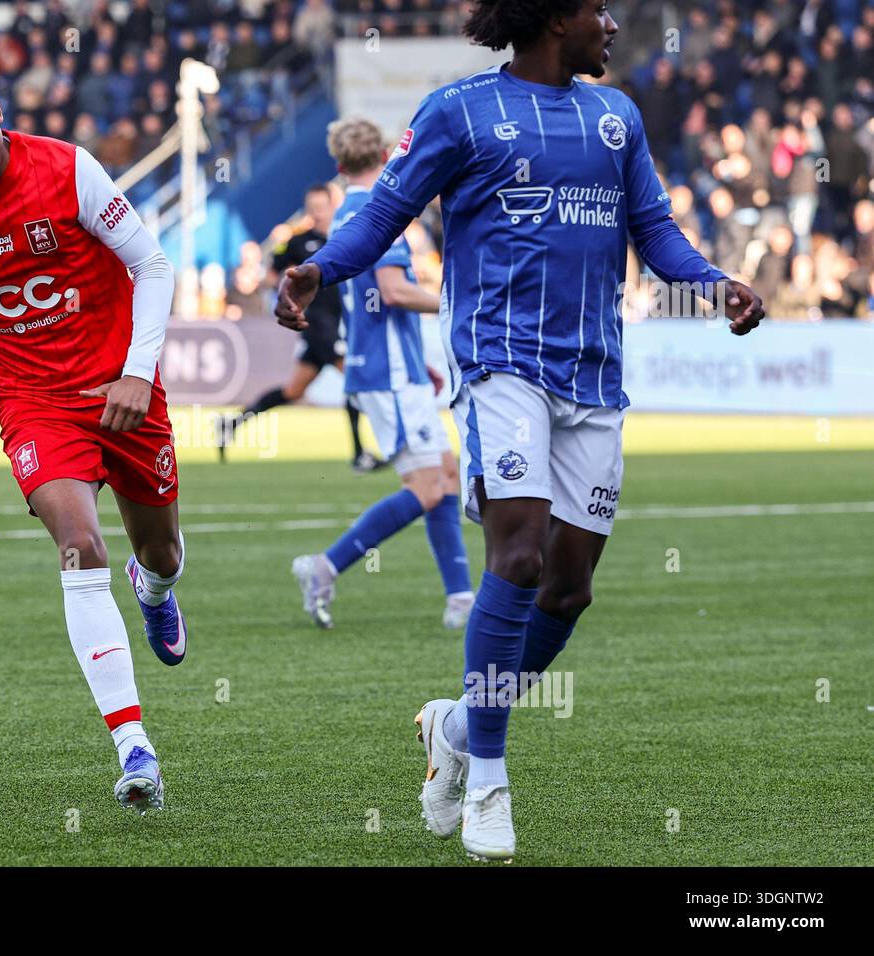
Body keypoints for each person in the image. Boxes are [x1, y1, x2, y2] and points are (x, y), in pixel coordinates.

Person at [276, 0, 764, 862]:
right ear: (551, 19)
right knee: (520, 554)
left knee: (569, 587)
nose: (612, 23)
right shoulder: (459, 110)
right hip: (500, 361)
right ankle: (490, 782)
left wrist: (715, 281)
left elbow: (653, 232)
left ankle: (459, 726)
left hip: (594, 372)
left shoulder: (616, 117)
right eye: (596, 10)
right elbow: (384, 211)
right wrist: (319, 267)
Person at [0, 57, 183, 814]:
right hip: (34, 404)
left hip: (124, 384)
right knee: (79, 546)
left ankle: (154, 591)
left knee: (161, 550)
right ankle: (134, 747)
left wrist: (135, 370)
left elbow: (152, 264)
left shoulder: (67, 168)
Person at [291, 118, 474, 632]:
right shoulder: (378, 207)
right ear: (393, 154)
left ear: (338, 164)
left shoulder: (349, 210)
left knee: (444, 474)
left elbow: (377, 303)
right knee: (427, 485)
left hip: (397, 367)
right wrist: (459, 305)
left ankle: (461, 597)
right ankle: (326, 565)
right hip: (389, 374)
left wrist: (422, 364)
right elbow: (393, 292)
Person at [215, 184, 382, 471]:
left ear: (333, 206)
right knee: (357, 380)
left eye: (322, 207)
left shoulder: (343, 238)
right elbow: (270, 275)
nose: (317, 213)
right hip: (318, 327)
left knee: (293, 391)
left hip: (338, 324)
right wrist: (285, 288)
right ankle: (359, 454)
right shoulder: (297, 242)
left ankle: (231, 424)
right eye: (312, 208)